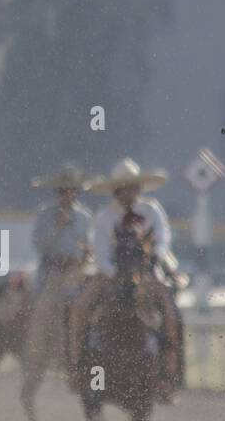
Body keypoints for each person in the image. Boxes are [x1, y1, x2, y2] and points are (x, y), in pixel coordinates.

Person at [69, 158, 184, 399]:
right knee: (79, 308)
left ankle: (169, 377)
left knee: (172, 316)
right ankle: (78, 368)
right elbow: (101, 255)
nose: (130, 192)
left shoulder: (152, 210)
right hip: (110, 276)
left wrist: (152, 261)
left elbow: (163, 241)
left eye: (133, 187)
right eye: (125, 188)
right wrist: (117, 275)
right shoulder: (104, 217)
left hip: (148, 274)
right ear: (116, 191)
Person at [26, 163, 93, 383]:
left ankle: (82, 357)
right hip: (53, 273)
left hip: (76, 272)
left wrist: (87, 254)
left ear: (76, 192)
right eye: (63, 191)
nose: (67, 195)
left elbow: (88, 245)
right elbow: (39, 244)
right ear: (58, 193)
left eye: (71, 190)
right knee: (44, 310)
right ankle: (35, 357)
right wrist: (57, 227)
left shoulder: (84, 217)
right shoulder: (46, 215)